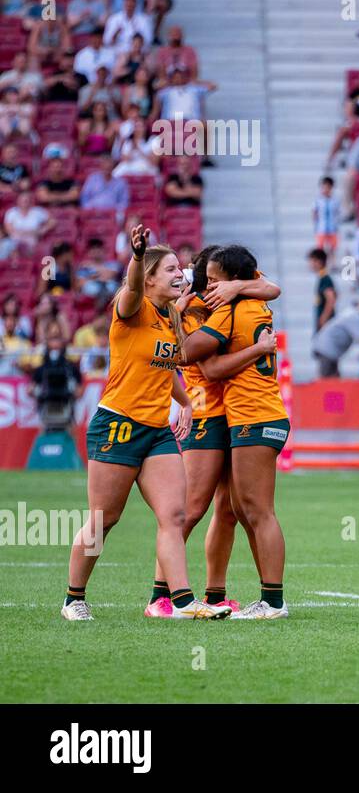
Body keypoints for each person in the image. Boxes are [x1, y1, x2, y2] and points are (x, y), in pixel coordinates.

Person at [62, 228, 230, 621]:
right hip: (117, 425)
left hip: (156, 431)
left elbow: (166, 365)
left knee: (174, 515)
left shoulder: (170, 317)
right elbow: (132, 289)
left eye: (180, 268)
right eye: (171, 268)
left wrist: (185, 402)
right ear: (150, 276)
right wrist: (137, 257)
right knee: (105, 518)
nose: (180, 273)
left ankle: (183, 602)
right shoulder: (132, 306)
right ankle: (74, 598)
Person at [155, 245, 280, 617]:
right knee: (190, 509)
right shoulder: (194, 308)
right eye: (204, 277)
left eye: (216, 279)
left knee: (228, 511)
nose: (210, 284)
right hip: (207, 414)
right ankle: (161, 596)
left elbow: (271, 287)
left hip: (236, 415)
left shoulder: (233, 301)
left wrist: (238, 289)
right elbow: (200, 365)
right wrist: (257, 349)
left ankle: (215, 595)